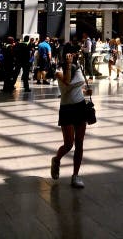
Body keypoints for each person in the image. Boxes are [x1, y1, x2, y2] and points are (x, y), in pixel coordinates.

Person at [50, 46, 89, 188]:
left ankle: (76, 175)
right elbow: (67, 82)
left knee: (79, 143)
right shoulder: (59, 70)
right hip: (66, 108)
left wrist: (84, 90)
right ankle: (56, 159)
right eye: (72, 53)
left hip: (80, 106)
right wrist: (67, 64)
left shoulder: (78, 67)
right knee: (69, 144)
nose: (75, 55)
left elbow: (77, 86)